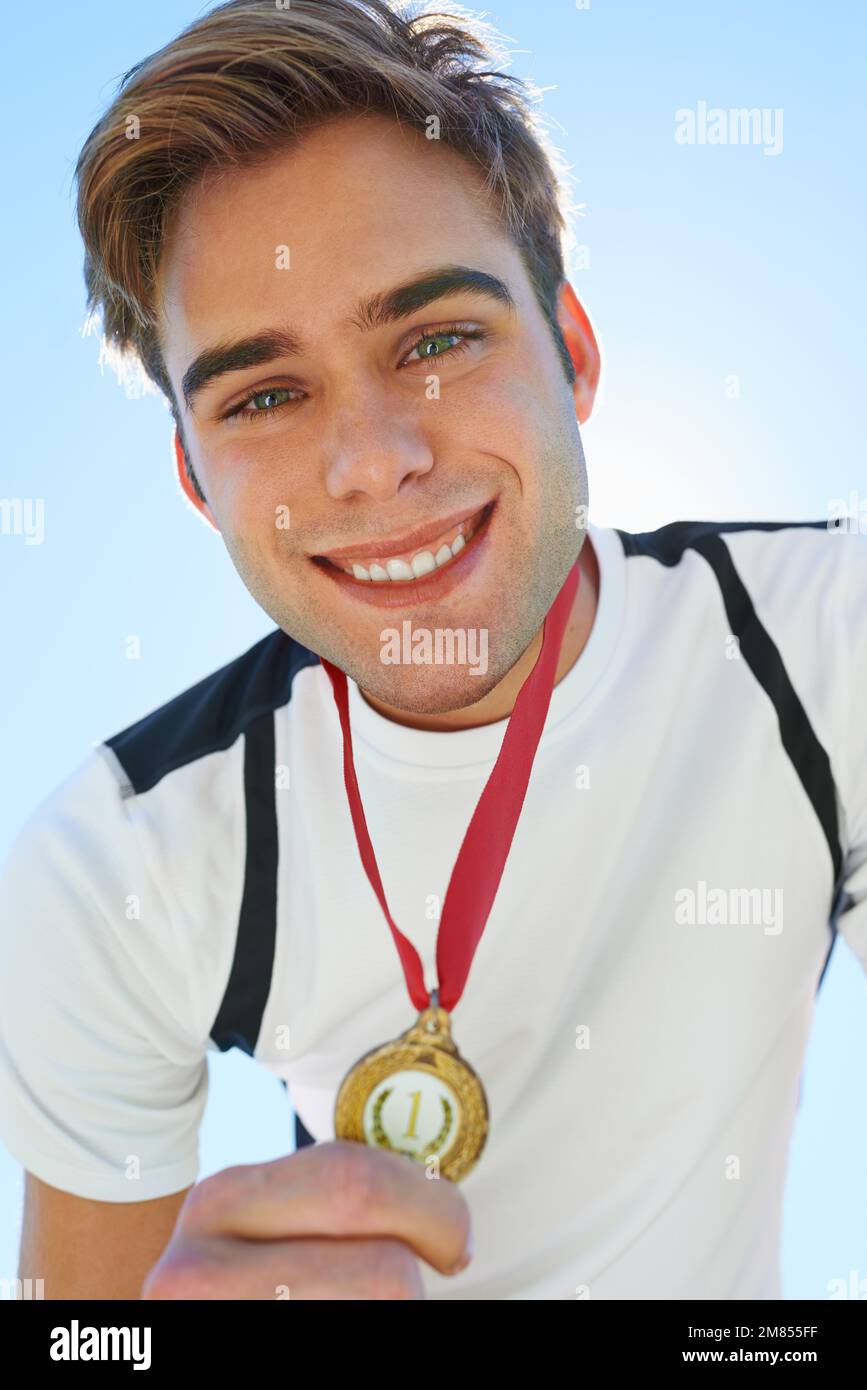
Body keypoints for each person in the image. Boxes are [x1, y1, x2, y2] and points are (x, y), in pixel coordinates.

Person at [1, 0, 865, 1301]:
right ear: (196, 479)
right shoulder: (118, 860)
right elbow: (82, 1335)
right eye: (267, 395)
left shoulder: (820, 636)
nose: (375, 461)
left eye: (442, 339)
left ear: (573, 352)